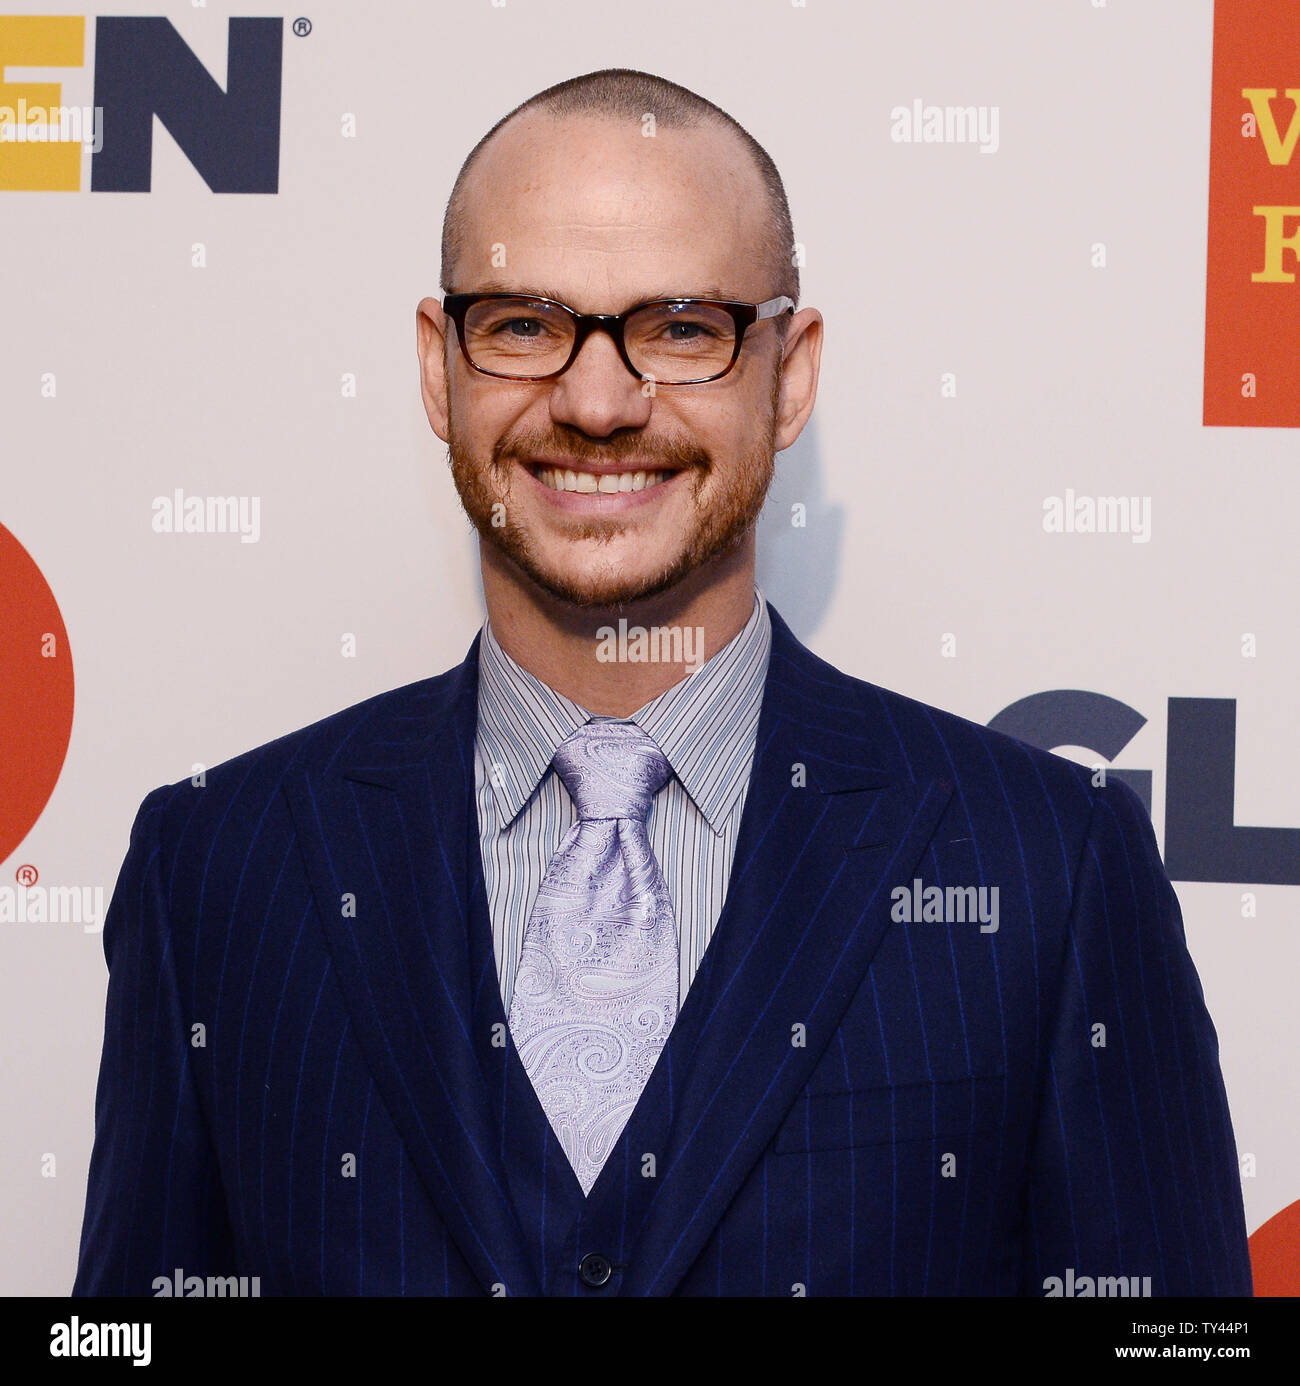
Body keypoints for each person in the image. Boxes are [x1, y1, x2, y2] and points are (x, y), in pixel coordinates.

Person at [73, 67, 1251, 1297]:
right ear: (440, 367)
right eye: (524, 324)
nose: (595, 402)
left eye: (681, 329)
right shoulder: (216, 864)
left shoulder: (1047, 866)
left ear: (787, 373)